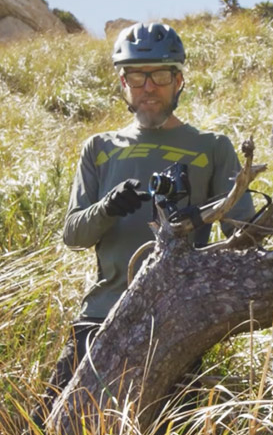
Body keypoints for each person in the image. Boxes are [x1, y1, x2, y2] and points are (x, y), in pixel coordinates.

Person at [45, 21, 254, 404]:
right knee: (52, 425)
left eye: (159, 75)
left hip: (178, 318)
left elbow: (245, 236)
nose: (148, 87)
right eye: (137, 76)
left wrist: (198, 219)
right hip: (102, 316)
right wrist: (107, 208)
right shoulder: (100, 148)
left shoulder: (212, 147)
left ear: (179, 81)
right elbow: (74, 235)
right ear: (123, 83)